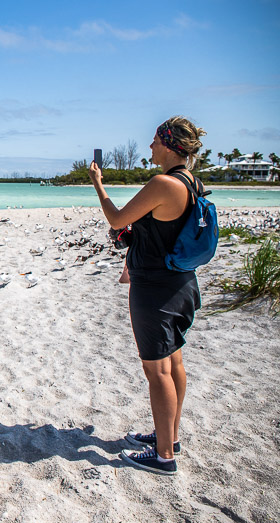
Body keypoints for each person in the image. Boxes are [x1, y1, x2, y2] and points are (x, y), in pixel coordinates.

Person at [88, 116, 207, 476]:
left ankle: (164, 456)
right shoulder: (193, 182)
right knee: (173, 364)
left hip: (156, 289)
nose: (151, 147)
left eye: (155, 140)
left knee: (157, 371)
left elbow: (116, 218)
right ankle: (167, 436)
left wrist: (98, 185)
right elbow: (160, 230)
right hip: (180, 284)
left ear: (170, 145)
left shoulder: (164, 183)